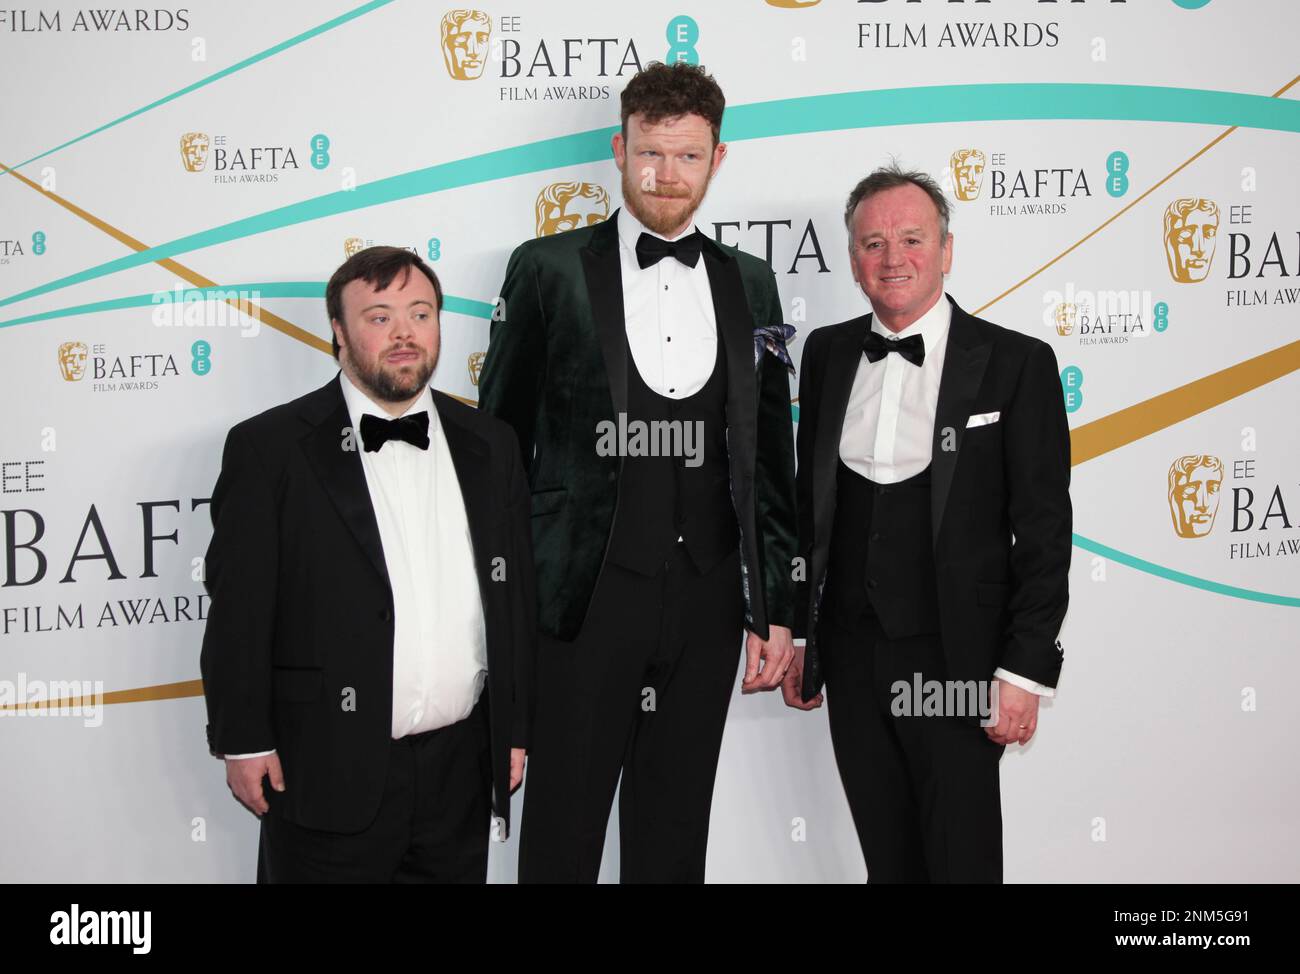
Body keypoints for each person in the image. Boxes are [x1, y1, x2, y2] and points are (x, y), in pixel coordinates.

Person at [479, 61, 798, 883]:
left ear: (717, 161)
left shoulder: (752, 282)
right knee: (561, 835)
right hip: (584, 600)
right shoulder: (546, 271)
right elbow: (497, 449)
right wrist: (505, 602)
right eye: (651, 153)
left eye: (688, 157)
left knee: (673, 833)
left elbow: (767, 457)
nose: (667, 175)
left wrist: (778, 608)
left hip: (707, 597)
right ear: (619, 150)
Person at [200, 245, 536, 882]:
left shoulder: (492, 443)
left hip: (459, 771)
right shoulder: (270, 450)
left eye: (421, 313)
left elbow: (513, 598)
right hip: (322, 767)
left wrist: (513, 730)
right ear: (339, 331)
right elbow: (240, 610)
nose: (405, 333)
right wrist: (244, 738)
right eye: (379, 317)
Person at [784, 164, 1071, 883]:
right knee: (890, 861)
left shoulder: (1015, 364)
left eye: (913, 239)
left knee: (962, 861)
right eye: (873, 243)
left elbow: (1042, 531)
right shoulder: (825, 353)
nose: (893, 259)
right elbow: (807, 510)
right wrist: (797, 631)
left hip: (961, 662)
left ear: (947, 249)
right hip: (851, 656)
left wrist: (1024, 669)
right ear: (852, 260)